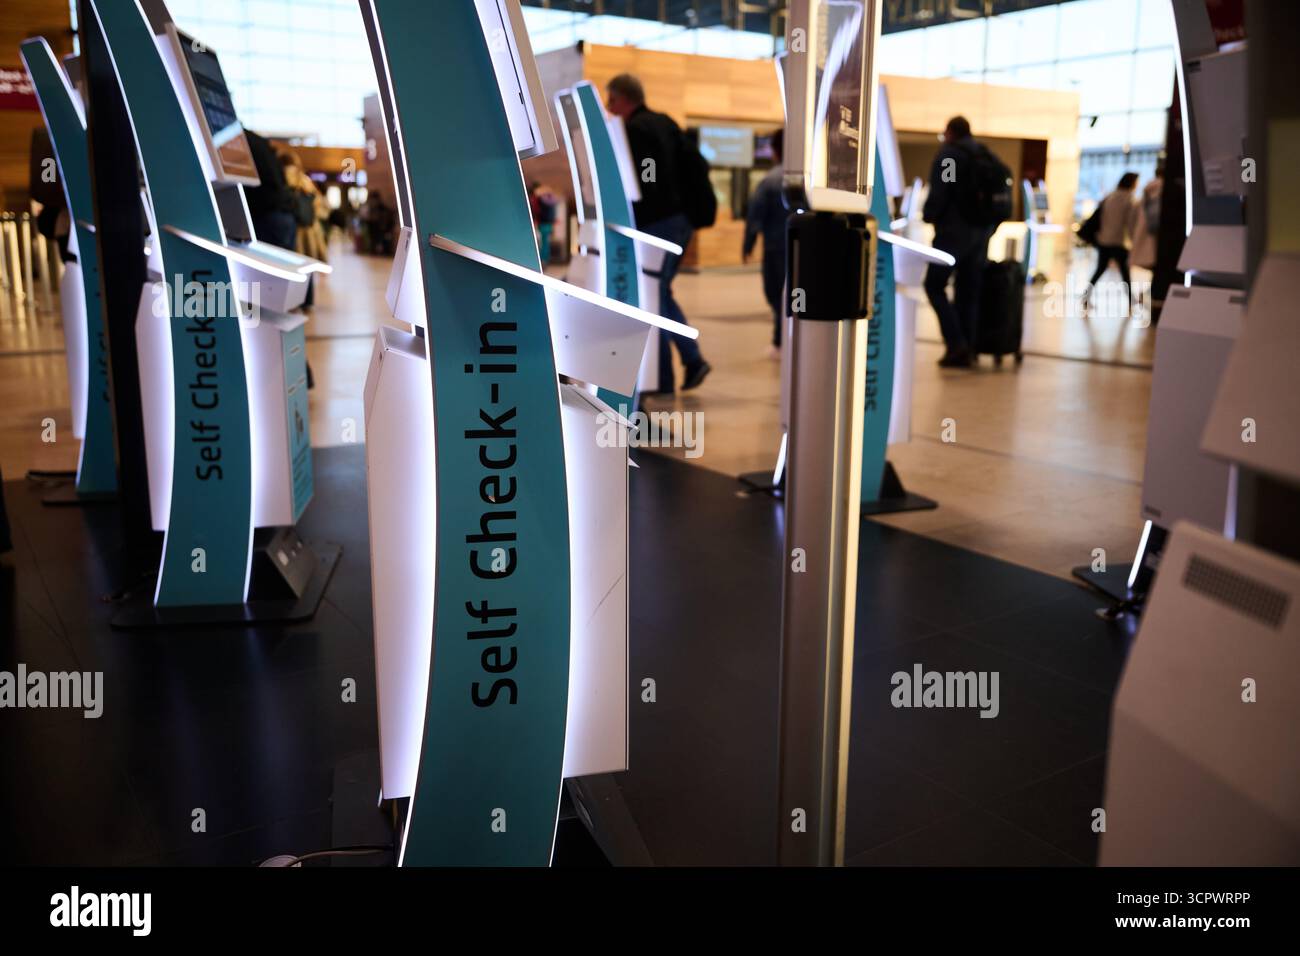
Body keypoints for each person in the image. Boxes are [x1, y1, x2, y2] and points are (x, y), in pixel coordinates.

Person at [606, 73, 711, 392]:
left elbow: (650, 174)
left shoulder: (637, 128)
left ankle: (687, 362)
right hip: (677, 219)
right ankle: (668, 373)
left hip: (660, 221)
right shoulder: (664, 121)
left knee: (656, 292)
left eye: (611, 100)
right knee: (659, 291)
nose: (610, 107)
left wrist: (642, 206)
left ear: (624, 98)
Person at [922, 116, 995, 368]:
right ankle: (969, 347)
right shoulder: (983, 154)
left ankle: (956, 344)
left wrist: (930, 213)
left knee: (934, 285)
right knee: (969, 291)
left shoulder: (951, 156)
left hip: (954, 232)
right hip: (981, 233)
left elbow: (945, 187)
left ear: (950, 132)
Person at [743, 128, 788, 358]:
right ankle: (790, 338)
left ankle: (780, 341)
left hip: (775, 248)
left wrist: (747, 245)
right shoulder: (809, 180)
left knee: (776, 294)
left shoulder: (770, 180)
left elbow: (755, 217)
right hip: (800, 249)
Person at [1082, 172, 1141, 313]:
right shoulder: (1130, 199)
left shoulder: (1110, 196)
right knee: (1125, 273)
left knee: (1100, 270)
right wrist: (1134, 241)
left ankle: (1085, 297)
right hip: (1119, 242)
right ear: (1132, 183)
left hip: (1104, 240)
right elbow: (1131, 224)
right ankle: (1132, 302)